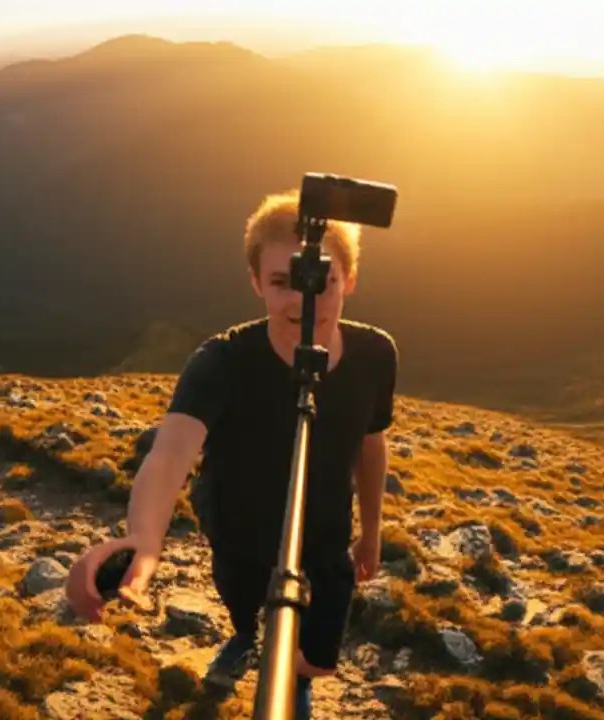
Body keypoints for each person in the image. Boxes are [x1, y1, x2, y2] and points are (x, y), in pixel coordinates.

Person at [66, 188, 398, 719]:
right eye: (281, 283)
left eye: (321, 281)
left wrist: (373, 531)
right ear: (255, 283)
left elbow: (370, 438)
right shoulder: (220, 363)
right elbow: (170, 453)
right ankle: (247, 636)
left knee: (314, 652)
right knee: (245, 604)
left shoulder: (376, 355)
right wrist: (143, 541)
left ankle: (296, 678)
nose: (301, 300)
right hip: (236, 529)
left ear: (349, 279)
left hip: (327, 531)